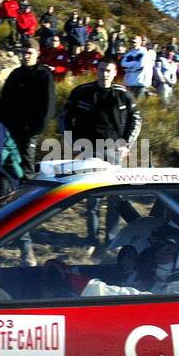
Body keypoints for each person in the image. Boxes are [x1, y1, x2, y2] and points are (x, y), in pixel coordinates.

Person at [62, 59, 142, 251]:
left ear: (115, 73)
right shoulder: (82, 92)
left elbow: (136, 120)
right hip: (87, 150)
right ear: (96, 71)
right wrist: (72, 142)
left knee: (114, 196)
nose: (104, 74)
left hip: (114, 151)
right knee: (93, 197)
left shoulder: (123, 95)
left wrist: (127, 145)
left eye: (108, 70)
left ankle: (112, 238)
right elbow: (64, 118)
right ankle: (92, 238)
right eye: (101, 70)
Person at [0, 39, 56, 177]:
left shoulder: (44, 75)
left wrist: (36, 129)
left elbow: (49, 105)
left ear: (37, 54)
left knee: (27, 166)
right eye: (23, 53)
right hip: (10, 129)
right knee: (9, 165)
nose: (26, 56)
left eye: (29, 53)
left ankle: (30, 197)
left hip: (29, 132)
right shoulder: (15, 74)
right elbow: (3, 101)